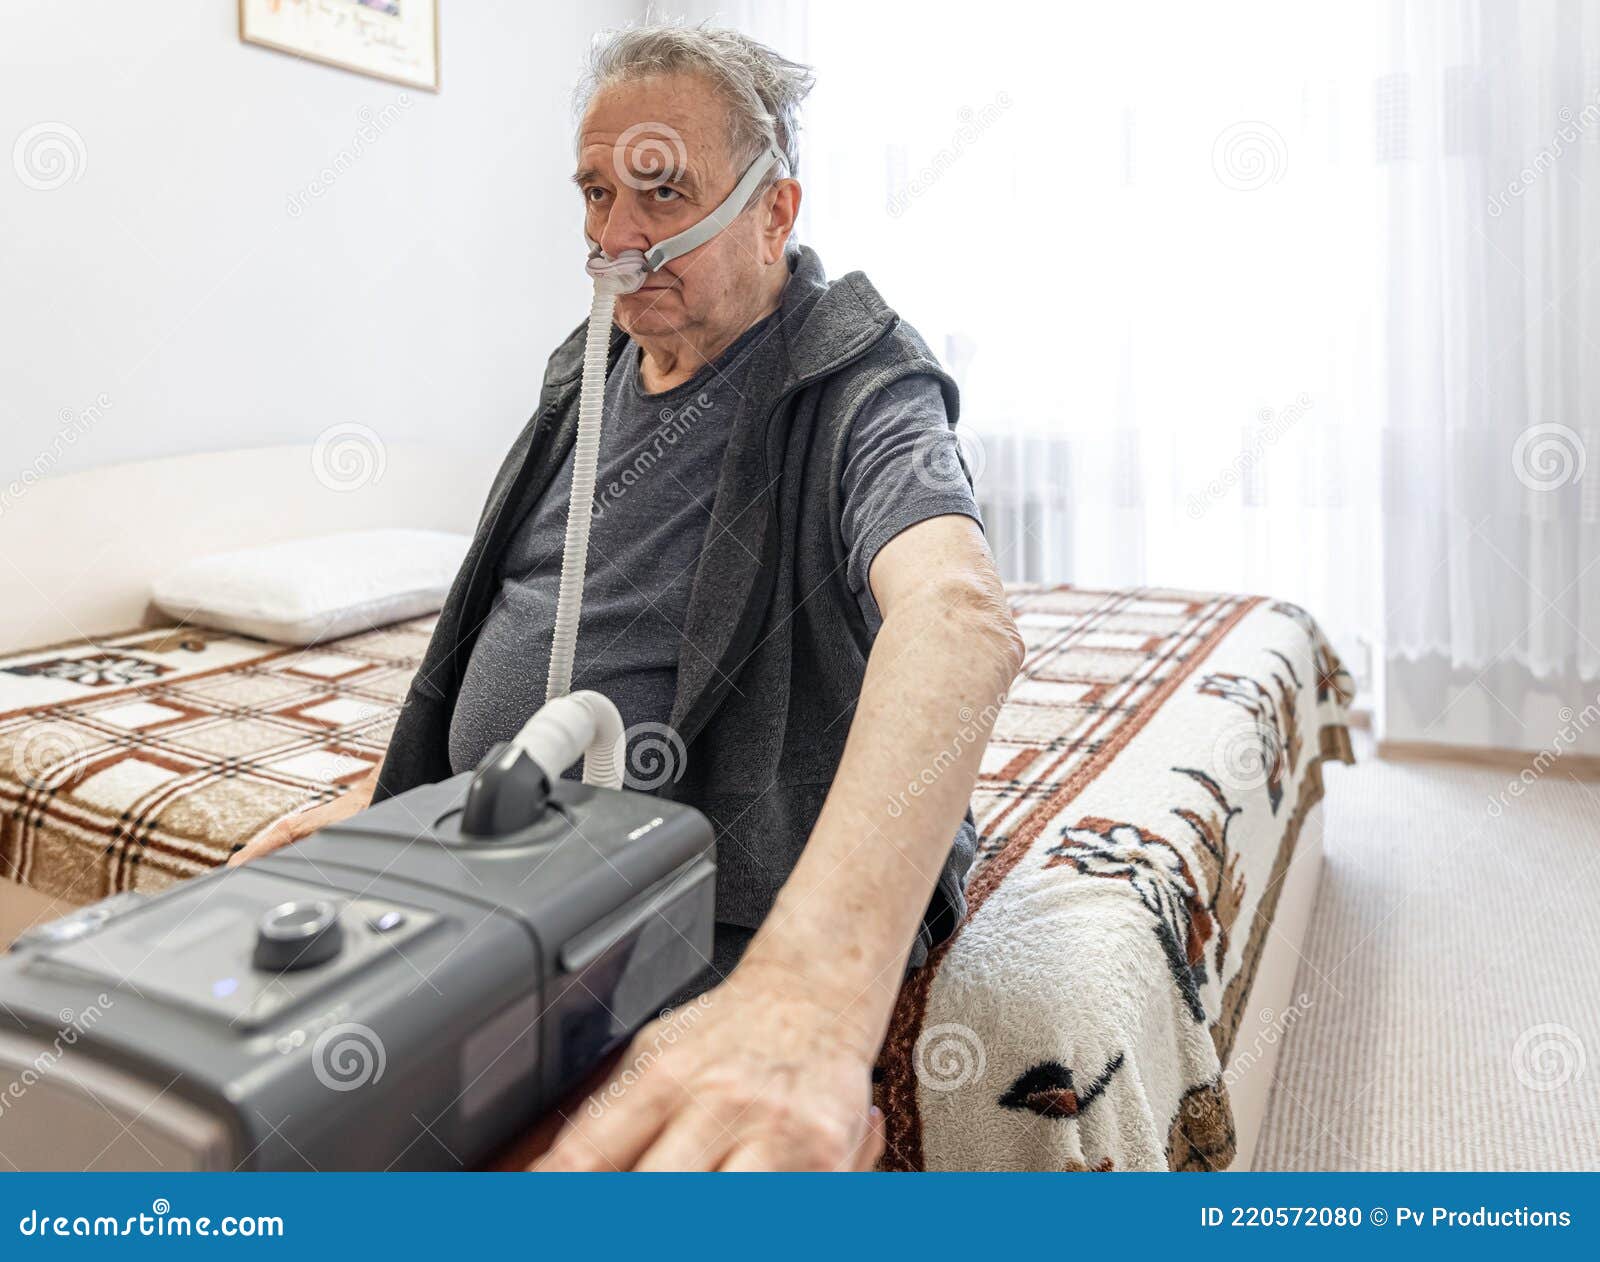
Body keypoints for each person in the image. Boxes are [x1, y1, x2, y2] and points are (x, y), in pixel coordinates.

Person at [231, 22, 1023, 1172]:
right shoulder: (587, 366)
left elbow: (958, 615)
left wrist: (807, 992)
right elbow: (508, 603)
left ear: (774, 212)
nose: (613, 239)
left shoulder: (857, 377)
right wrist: (387, 793)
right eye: (595, 194)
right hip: (501, 842)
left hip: (692, 881)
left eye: (660, 193)